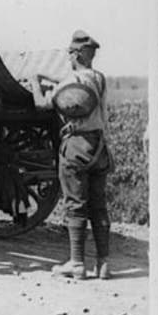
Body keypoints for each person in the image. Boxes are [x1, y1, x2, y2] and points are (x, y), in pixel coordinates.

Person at [30, 30, 114, 280]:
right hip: (99, 148)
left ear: (76, 54)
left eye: (70, 54)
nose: (68, 57)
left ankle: (77, 264)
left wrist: (35, 81)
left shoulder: (69, 83)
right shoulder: (99, 78)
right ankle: (103, 264)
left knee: (75, 205)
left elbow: (41, 103)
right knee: (99, 207)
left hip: (77, 146)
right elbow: (76, 81)